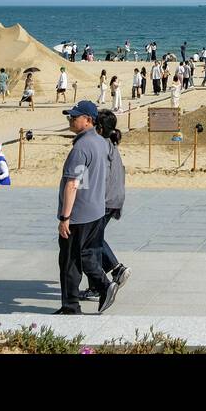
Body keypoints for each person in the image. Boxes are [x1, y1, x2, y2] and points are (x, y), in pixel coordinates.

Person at [55, 100, 116, 315]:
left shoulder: (81, 147)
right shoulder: (100, 142)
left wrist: (65, 217)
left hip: (79, 213)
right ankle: (103, 286)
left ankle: (73, 304)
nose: (70, 120)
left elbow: (73, 184)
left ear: (88, 120)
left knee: (70, 261)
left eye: (74, 117)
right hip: (96, 210)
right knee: (88, 255)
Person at [81, 110, 130, 300]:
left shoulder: (101, 145)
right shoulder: (111, 143)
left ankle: (114, 271)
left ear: (99, 127)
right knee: (94, 239)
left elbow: (101, 176)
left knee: (91, 241)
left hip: (105, 200)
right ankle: (107, 275)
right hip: (114, 197)